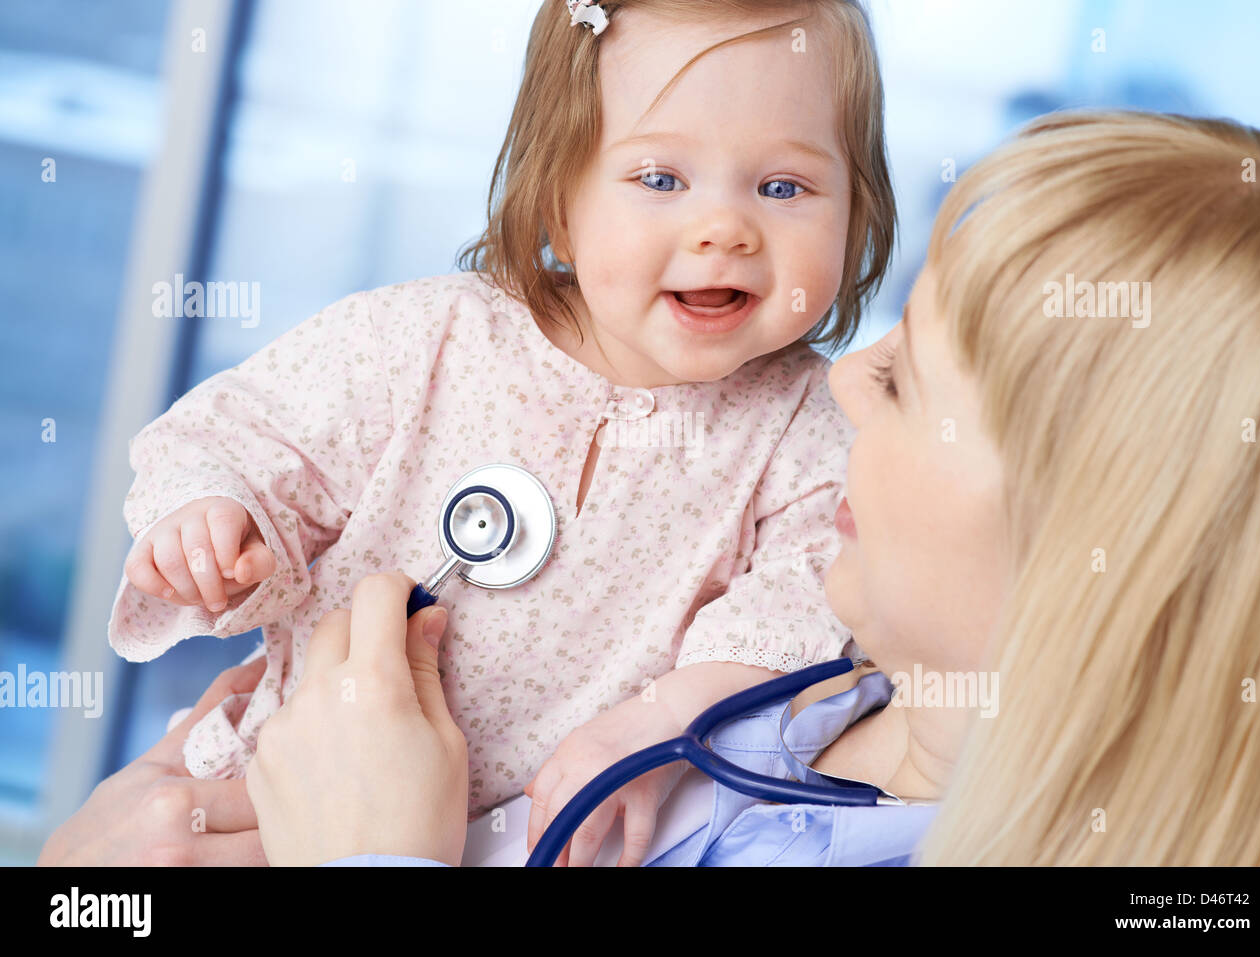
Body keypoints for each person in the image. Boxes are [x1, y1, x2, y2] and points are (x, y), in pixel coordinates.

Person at [44, 108, 1260, 866]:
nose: (844, 388)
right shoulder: (814, 698)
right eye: (657, 177)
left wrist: (367, 846)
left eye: (911, 386)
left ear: (1102, 538)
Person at [103, 0, 897, 866]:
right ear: (559, 197)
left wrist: (662, 726)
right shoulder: (422, 341)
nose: (726, 230)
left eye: (784, 188)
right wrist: (216, 515)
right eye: (661, 179)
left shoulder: (814, 435)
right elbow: (246, 434)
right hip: (277, 796)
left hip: (533, 844)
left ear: (858, 211)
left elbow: (800, 606)